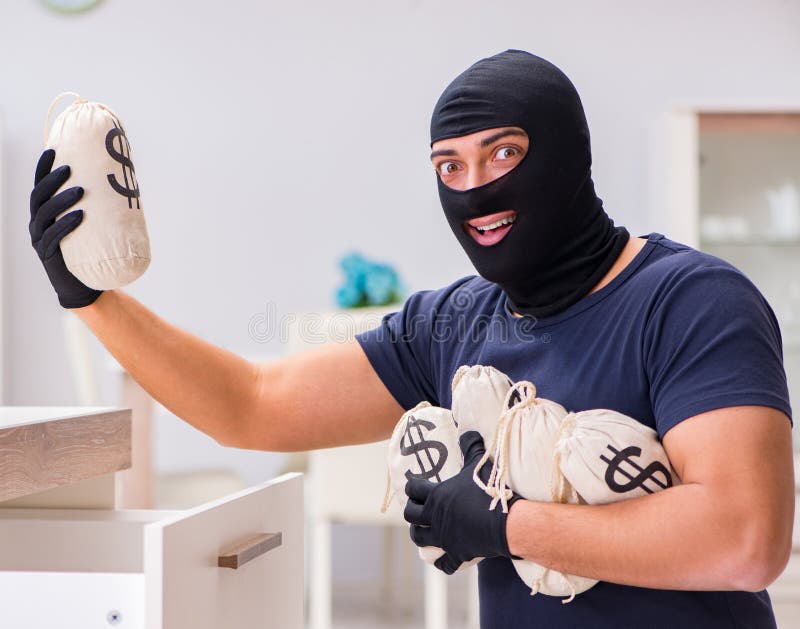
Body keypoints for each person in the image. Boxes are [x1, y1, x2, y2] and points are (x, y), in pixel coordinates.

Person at [28, 49, 794, 628]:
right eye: (448, 166)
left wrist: (505, 524)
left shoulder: (692, 302)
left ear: (566, 156)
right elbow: (251, 404)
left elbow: (745, 538)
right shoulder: (454, 323)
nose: (476, 191)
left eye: (503, 154)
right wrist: (91, 299)